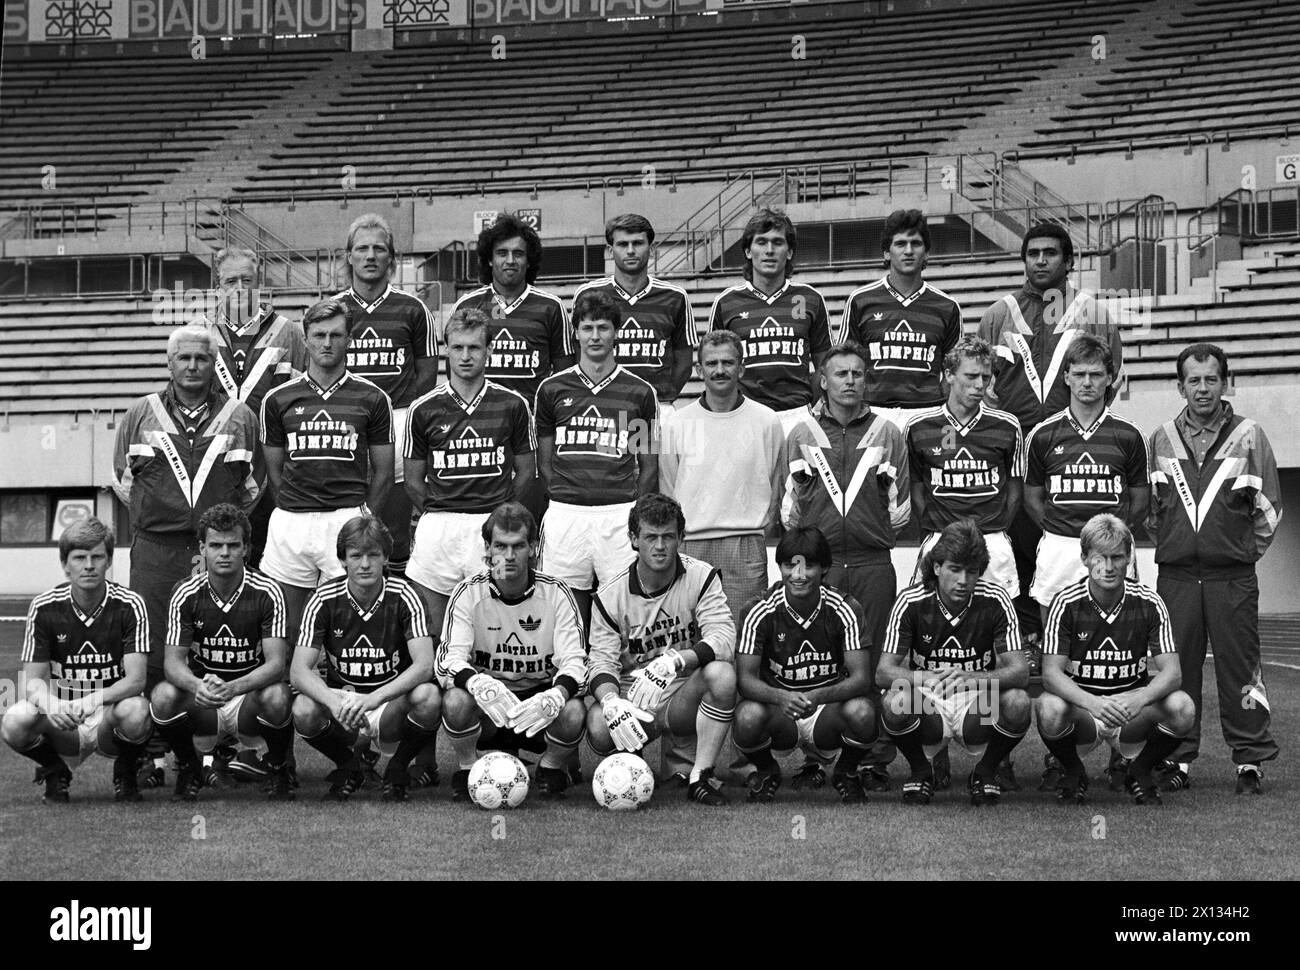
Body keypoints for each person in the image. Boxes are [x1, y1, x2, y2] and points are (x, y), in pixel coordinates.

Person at [112, 322, 261, 786]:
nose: (194, 366)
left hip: (213, 548)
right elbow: (123, 483)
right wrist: (164, 518)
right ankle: (152, 753)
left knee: (220, 642)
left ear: (213, 363)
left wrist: (214, 532)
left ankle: (218, 747)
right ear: (169, 363)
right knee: (155, 645)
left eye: (202, 358)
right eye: (184, 358)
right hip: (156, 550)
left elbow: (252, 489)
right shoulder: (140, 413)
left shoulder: (240, 415)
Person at [977, 222, 1123, 654]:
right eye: (1033, 253)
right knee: (1016, 538)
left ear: (1069, 260)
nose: (1041, 260)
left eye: (1051, 253)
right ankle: (1026, 638)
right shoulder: (998, 314)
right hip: (1012, 448)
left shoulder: (1094, 313)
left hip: (1072, 450)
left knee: (1071, 544)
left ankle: (1086, 642)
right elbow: (983, 383)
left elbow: (1108, 379)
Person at [1147, 343, 1281, 795]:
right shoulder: (1161, 438)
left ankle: (1250, 761)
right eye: (1193, 380)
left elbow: (1268, 511)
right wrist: (1181, 546)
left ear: (1226, 382)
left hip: (1232, 578)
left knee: (1240, 669)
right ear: (1179, 385)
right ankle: (1175, 759)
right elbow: (1152, 512)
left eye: (1210, 379)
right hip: (1177, 578)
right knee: (1176, 669)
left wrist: (1235, 551)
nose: (1202, 389)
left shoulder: (1250, 435)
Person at [782, 341, 908, 790]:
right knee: (820, 662)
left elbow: (900, 510)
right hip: (821, 567)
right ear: (823, 378)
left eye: (858, 373)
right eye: (841, 373)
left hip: (873, 564)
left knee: (871, 666)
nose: (850, 381)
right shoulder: (800, 433)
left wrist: (865, 528)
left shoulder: (888, 433)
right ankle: (817, 756)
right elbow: (789, 510)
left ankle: (872, 758)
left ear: (866, 379)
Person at [259, 297, 394, 647]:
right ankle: (293, 696)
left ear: (349, 339)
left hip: (345, 517)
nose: (327, 343)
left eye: (336, 335)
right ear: (305, 339)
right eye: (319, 335)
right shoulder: (277, 399)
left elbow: (382, 472)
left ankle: (344, 693)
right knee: (287, 625)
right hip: (291, 521)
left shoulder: (373, 397)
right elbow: (274, 471)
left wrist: (363, 518)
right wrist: (292, 505)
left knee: (349, 623)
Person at [587, 494, 737, 805]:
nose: (660, 546)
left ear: (681, 538)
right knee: (599, 725)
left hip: (681, 696)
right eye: (650, 537)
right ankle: (630, 758)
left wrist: (679, 660)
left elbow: (723, 636)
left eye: (668, 536)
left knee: (721, 674)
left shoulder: (701, 575)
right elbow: (600, 661)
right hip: (633, 698)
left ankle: (701, 775)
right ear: (633, 539)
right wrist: (612, 701)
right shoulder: (609, 594)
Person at [1034, 514, 1194, 804]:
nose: (1108, 567)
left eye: (1117, 557)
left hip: (1131, 712)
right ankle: (1073, 770)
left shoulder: (1149, 601)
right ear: (1084, 558)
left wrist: (1140, 698)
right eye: (1100, 558)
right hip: (1084, 710)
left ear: (1129, 558)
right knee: (1048, 706)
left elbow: (1173, 674)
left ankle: (1140, 769)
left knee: (1183, 707)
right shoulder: (1065, 603)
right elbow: (1051, 675)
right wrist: (1093, 703)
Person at [436, 502, 588, 801]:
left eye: (518, 546)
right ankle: (468, 768)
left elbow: (576, 664)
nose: (508, 556)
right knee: (455, 700)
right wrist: (476, 683)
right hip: (490, 704)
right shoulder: (468, 592)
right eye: (500, 546)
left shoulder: (557, 593)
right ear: (488, 549)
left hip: (540, 707)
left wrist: (556, 695)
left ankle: (550, 767)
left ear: (533, 547)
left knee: (573, 710)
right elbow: (447, 661)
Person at [877, 519, 1030, 805]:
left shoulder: (995, 599)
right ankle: (921, 772)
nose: (963, 580)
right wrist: (929, 678)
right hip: (928, 702)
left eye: (972, 572)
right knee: (893, 702)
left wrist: (973, 678)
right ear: (937, 567)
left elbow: (1020, 671)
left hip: (976, 702)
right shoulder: (911, 601)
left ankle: (985, 771)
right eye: (954, 569)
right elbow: (883, 673)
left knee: (1018, 702)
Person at [149, 504, 294, 802]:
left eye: (232, 545)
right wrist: (197, 685)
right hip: (204, 700)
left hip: (248, 700)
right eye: (215, 545)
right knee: (162, 696)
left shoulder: (269, 592)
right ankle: (190, 767)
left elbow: (277, 664)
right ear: (202, 548)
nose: (224, 552)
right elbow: (172, 664)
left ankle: (278, 768)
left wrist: (235, 687)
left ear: (247, 549)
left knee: (279, 695)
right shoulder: (186, 592)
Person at [404, 306, 536, 635]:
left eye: (474, 347)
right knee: (431, 628)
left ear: (489, 351)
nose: (466, 356)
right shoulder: (423, 408)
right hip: (439, 528)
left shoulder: (513, 404)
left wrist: (500, 516)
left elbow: (526, 472)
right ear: (445, 349)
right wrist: (440, 510)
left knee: (495, 627)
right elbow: (411, 480)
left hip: (490, 525)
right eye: (458, 347)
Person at [1, 518, 152, 803]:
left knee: (138, 709)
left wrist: (92, 699)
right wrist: (52, 705)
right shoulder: (45, 606)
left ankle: (126, 770)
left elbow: (136, 680)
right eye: (80, 557)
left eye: (97, 557)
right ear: (65, 564)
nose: (89, 565)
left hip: (110, 718)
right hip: (65, 719)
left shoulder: (131, 604)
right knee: (14, 719)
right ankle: (55, 769)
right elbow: (32, 683)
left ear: (108, 561)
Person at [289, 516, 439, 802]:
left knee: (429, 696)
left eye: (374, 555)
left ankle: (397, 768)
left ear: (386, 558)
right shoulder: (323, 597)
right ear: (343, 560)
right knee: (303, 707)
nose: (365, 564)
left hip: (389, 703)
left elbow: (424, 665)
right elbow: (298, 671)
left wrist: (374, 699)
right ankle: (349, 765)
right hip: (343, 703)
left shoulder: (406, 595)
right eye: (356, 556)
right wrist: (334, 703)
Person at [534, 288, 658, 621]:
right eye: (587, 327)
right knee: (564, 610)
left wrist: (632, 512)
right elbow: (543, 464)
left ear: (616, 332)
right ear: (575, 332)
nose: (595, 336)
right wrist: (566, 495)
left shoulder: (640, 392)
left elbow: (647, 467)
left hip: (618, 515)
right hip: (565, 515)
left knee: (623, 608)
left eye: (603, 327)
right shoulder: (550, 390)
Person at [734, 526, 879, 803]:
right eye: (790, 565)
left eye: (809, 565)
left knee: (863, 712)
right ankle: (767, 771)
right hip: (780, 711)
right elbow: (746, 679)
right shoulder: (758, 609)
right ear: (780, 567)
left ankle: (846, 772)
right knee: (747, 716)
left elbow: (862, 679)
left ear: (824, 568)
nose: (798, 575)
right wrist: (782, 696)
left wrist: (816, 697)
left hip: (826, 711)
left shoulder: (845, 607)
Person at [333, 213, 439, 577]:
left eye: (379, 249)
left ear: (391, 259)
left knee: (391, 524)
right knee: (346, 520)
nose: (370, 255)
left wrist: (400, 415)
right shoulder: (333, 310)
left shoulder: (413, 309)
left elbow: (427, 372)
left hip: (397, 419)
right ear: (348, 256)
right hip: (344, 423)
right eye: (362, 248)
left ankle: (396, 593)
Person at [1023, 333, 1148, 631]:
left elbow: (1141, 500)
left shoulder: (1129, 435)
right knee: (1054, 633)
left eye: (1096, 374)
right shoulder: (1042, 435)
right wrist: (1059, 527)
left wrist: (1111, 535)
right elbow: (1031, 498)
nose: (1087, 382)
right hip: (1059, 544)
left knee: (1115, 629)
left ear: (1110, 378)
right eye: (1079, 374)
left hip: (1112, 548)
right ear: (1066, 377)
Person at [660, 330, 785, 627]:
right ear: (699, 369)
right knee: (692, 636)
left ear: (741, 368)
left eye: (728, 362)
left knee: (747, 636)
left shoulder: (767, 420)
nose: (719, 370)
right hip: (691, 545)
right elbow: (668, 487)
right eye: (711, 363)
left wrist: (757, 526)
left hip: (745, 545)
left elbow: (777, 482)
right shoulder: (675, 424)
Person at [194, 247, 307, 568]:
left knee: (272, 559)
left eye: (248, 280)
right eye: (231, 281)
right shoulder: (200, 334)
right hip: (220, 464)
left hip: (276, 464)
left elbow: (301, 400)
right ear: (218, 288)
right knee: (223, 554)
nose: (240, 288)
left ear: (260, 284)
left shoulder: (288, 332)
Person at [907, 335, 1023, 598]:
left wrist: (996, 524)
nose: (980, 385)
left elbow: (1015, 491)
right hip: (940, 536)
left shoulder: (1007, 426)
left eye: (986, 377)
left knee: (996, 621)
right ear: (949, 375)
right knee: (933, 622)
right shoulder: (919, 427)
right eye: (971, 376)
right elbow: (916, 489)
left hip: (992, 538)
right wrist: (940, 526)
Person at [838, 208, 962, 432]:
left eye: (916, 244)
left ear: (926, 253)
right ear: (886, 253)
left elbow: (955, 370)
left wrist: (940, 409)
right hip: (872, 414)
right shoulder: (861, 300)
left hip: (928, 415)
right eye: (900, 244)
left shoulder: (947, 306)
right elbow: (845, 362)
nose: (908, 251)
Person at [707, 208, 831, 431]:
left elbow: (825, 364)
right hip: (743, 417)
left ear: (790, 251)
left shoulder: (811, 299)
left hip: (798, 416)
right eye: (761, 242)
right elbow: (714, 364)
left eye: (777, 242)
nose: (769, 250)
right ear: (747, 251)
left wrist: (809, 404)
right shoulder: (726, 302)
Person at [572, 213, 695, 414]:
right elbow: (576, 352)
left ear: (652, 249)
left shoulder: (675, 297)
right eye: (622, 244)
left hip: (657, 409)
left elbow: (684, 360)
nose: (630, 251)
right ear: (611, 251)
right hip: (603, 404)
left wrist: (664, 396)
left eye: (638, 243)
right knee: (607, 448)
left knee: (653, 448)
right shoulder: (588, 294)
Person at [450, 212, 573, 408]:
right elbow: (456, 370)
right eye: (502, 253)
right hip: (482, 418)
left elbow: (565, 375)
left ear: (529, 260)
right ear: (489, 260)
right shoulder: (468, 305)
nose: (510, 260)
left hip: (533, 419)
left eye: (518, 253)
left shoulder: (551, 307)